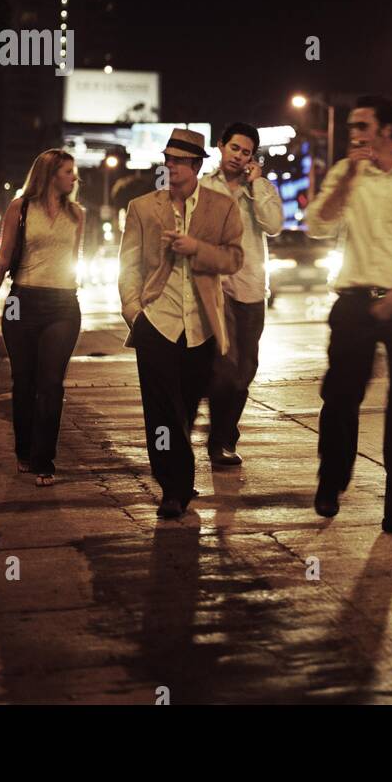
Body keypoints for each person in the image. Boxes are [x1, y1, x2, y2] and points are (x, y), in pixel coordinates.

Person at [306, 95, 392, 539]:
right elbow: (316, 223)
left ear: (387, 130)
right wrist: (347, 178)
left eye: (361, 126)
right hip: (353, 300)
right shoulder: (347, 174)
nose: (354, 134)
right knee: (341, 398)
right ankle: (331, 484)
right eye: (352, 127)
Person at [118, 128, 243, 519]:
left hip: (202, 325)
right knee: (160, 411)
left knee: (185, 409)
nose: (169, 166)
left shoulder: (221, 207)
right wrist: (133, 311)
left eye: (177, 161)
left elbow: (234, 259)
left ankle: (179, 476)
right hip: (157, 319)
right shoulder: (142, 207)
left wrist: (197, 249)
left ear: (195, 164)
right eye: (167, 160)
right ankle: (173, 487)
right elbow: (129, 265)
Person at [0, 150, 85, 486]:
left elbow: (74, 257)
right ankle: (24, 450)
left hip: (63, 304)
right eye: (68, 171)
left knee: (51, 383)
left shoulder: (77, 214)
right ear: (51, 173)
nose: (74, 177)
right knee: (24, 381)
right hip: (21, 301)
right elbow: (5, 254)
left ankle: (44, 460)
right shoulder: (21, 207)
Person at [199, 123, 283, 467]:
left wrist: (257, 185)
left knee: (246, 368)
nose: (239, 156)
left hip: (251, 287)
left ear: (253, 158)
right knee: (225, 367)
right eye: (234, 148)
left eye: (246, 152)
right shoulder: (203, 186)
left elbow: (274, 225)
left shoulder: (259, 188)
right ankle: (219, 441)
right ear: (221, 146)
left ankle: (224, 431)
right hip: (217, 288)